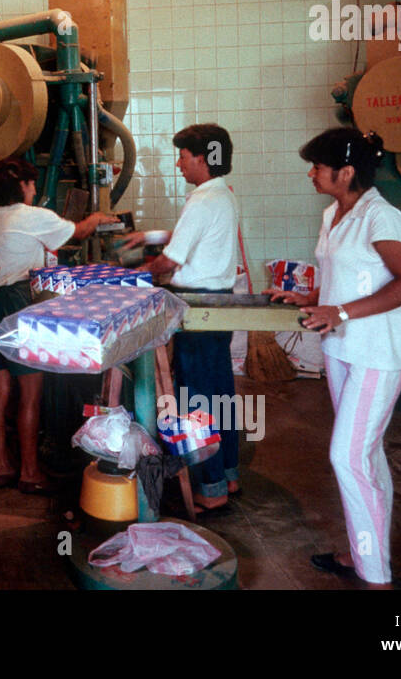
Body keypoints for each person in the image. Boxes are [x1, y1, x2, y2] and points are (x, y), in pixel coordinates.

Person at [266, 128, 401, 589]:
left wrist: (341, 311)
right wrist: (308, 297)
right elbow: (346, 277)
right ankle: (364, 553)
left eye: (317, 166)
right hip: (341, 348)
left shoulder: (383, 216)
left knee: (348, 456)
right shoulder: (333, 213)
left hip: (379, 353)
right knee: (364, 457)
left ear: (347, 172)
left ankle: (376, 578)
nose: (311, 174)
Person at [0, 158, 118, 494]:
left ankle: (0, 466)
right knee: (31, 395)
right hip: (18, 302)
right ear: (21, 186)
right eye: (32, 184)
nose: (34, 190)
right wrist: (96, 218)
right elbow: (78, 232)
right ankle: (30, 471)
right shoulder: (31, 216)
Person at [120, 123, 241, 512]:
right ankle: (228, 475)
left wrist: (131, 272)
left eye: (183, 157)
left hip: (198, 307)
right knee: (220, 390)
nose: (178, 164)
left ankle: (211, 490)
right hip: (218, 303)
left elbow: (171, 260)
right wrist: (150, 237)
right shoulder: (221, 195)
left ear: (202, 159)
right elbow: (191, 235)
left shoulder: (201, 200)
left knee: (197, 398)